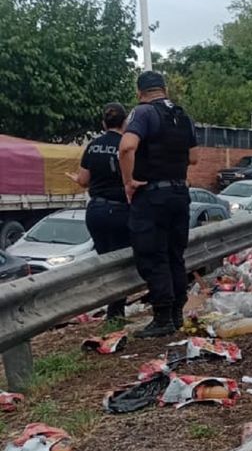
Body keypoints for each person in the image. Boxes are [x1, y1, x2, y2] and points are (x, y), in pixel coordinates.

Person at [119, 71, 198, 338]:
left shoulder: (142, 113)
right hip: (179, 194)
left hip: (152, 196)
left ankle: (163, 317)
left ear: (139, 92)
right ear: (165, 89)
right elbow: (194, 158)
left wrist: (129, 182)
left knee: (153, 256)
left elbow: (126, 147)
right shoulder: (183, 116)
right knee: (175, 255)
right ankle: (176, 314)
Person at [68, 102, 130, 321]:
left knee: (105, 260)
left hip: (96, 211)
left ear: (104, 123)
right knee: (122, 262)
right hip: (121, 210)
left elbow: (84, 180)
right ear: (125, 122)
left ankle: (113, 310)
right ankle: (116, 313)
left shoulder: (93, 146)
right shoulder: (127, 145)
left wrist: (77, 179)